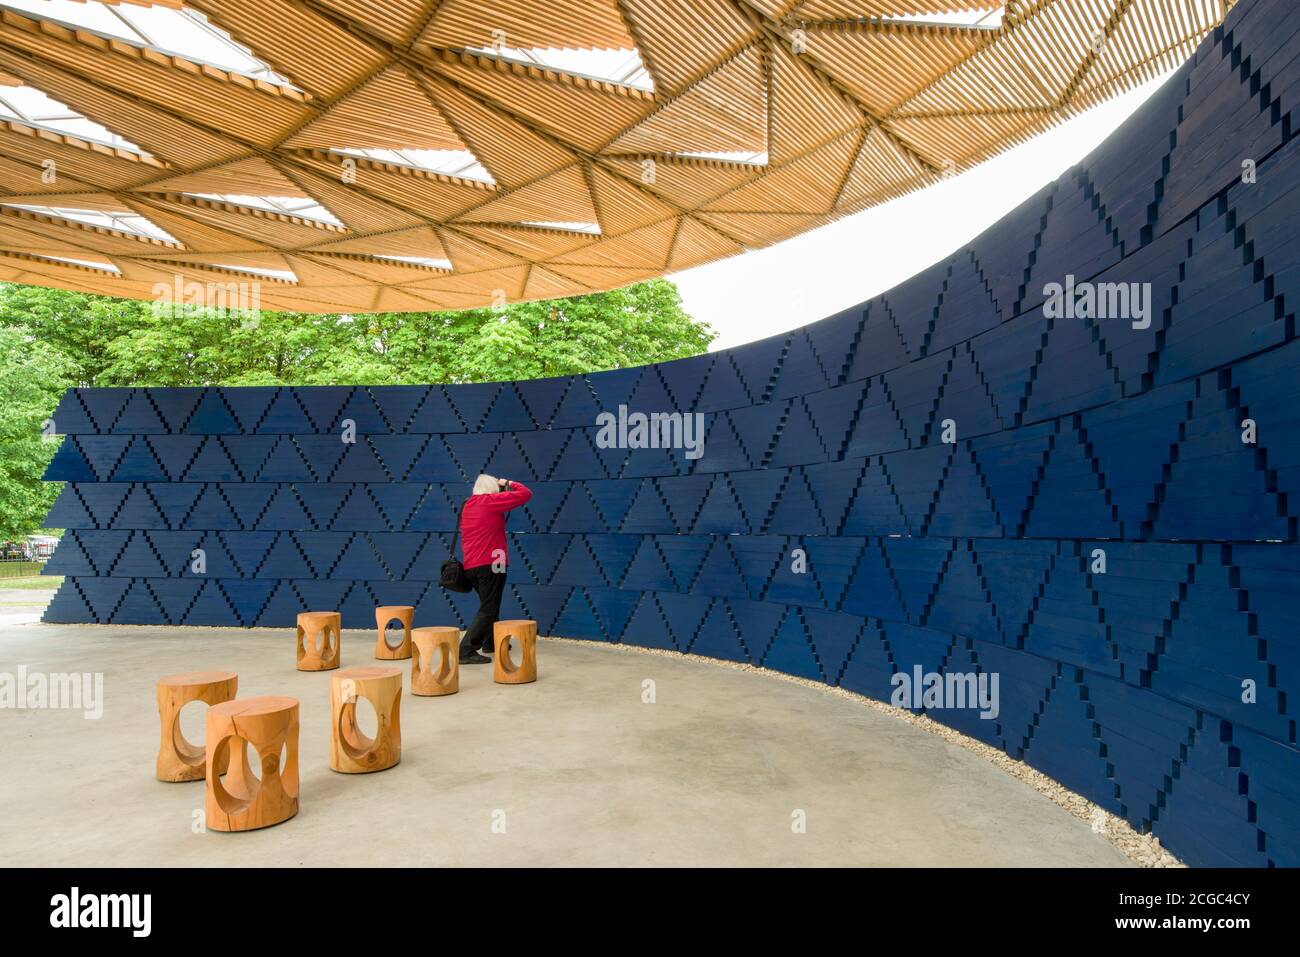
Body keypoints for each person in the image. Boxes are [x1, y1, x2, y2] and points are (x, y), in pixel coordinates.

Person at [457, 473, 532, 664]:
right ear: (492, 489)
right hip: (493, 563)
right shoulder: (489, 501)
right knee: (489, 607)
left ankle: (490, 643)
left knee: (489, 604)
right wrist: (508, 482)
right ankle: (465, 650)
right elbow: (525, 493)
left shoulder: (468, 504)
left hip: (471, 565)